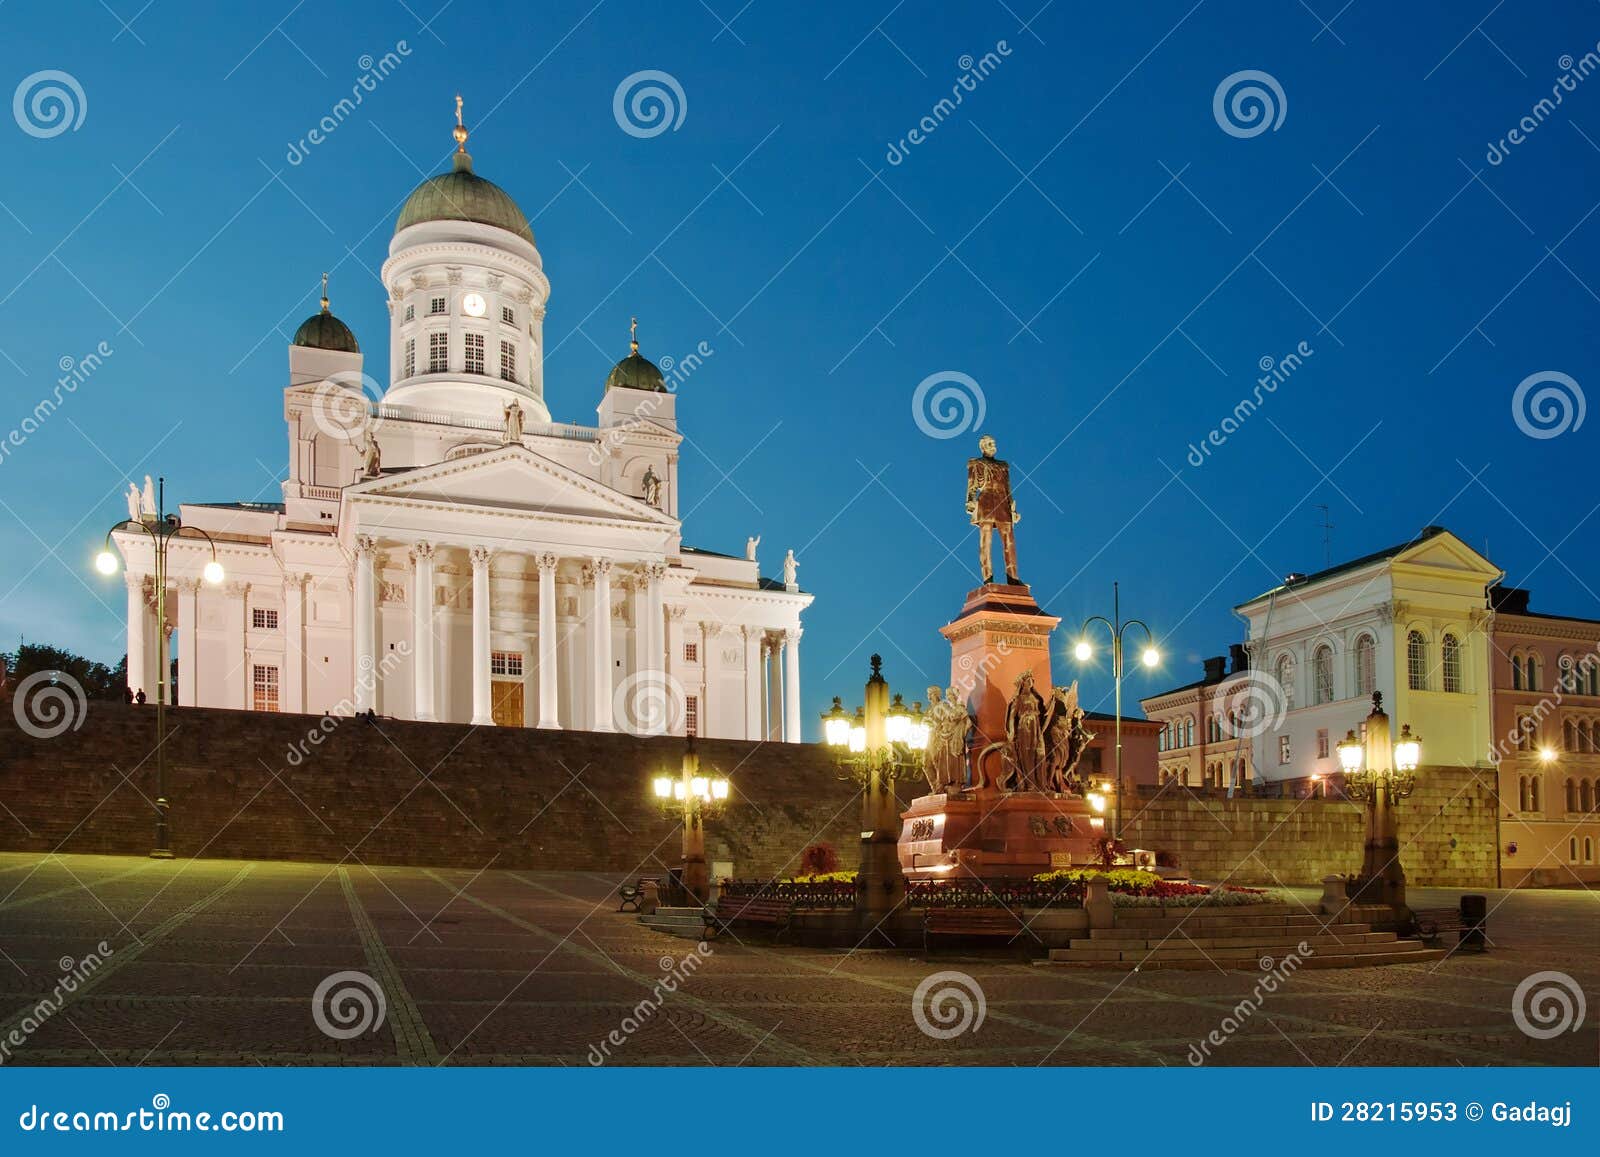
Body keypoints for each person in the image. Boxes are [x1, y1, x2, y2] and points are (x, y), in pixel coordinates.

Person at [966, 434, 1020, 585]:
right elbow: (972, 485)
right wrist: (970, 502)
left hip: (1003, 504)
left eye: (994, 443)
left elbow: (1008, 488)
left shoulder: (1003, 465)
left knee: (1009, 542)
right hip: (986, 503)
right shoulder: (976, 463)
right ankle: (988, 578)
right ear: (982, 447)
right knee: (986, 542)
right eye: (989, 443)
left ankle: (1013, 578)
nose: (993, 445)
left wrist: (1012, 509)